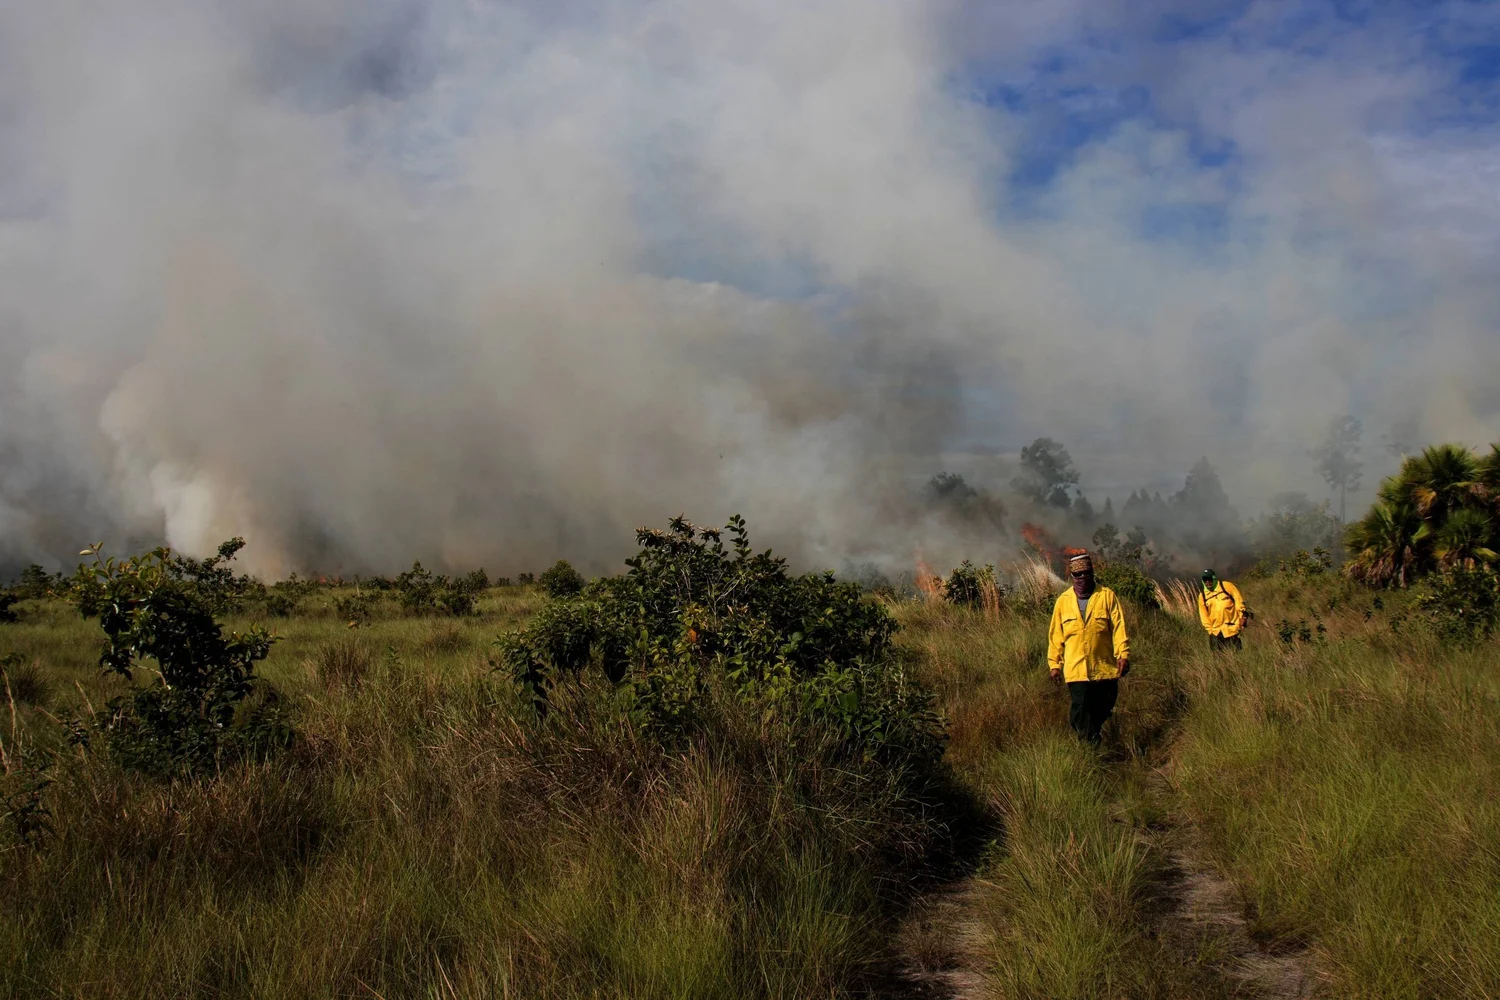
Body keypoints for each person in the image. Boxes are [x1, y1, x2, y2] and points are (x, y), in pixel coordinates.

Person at [1048, 552, 1130, 745]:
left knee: (1104, 707)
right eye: (1078, 575)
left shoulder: (1107, 596)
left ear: (1092, 572)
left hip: (1104, 668)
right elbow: (1055, 637)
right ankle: (1091, 747)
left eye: (1086, 573)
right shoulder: (1063, 602)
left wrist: (1123, 654)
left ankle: (1092, 735)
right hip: (1077, 670)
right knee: (1080, 709)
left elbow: (1119, 628)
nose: (1082, 578)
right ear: (1072, 577)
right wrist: (1054, 665)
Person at [1197, 569, 1246, 651]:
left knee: (1237, 656)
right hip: (1215, 633)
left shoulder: (1226, 586)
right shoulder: (1202, 596)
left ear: (1214, 578)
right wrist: (1210, 630)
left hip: (1232, 630)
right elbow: (1203, 615)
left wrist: (1242, 616)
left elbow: (1239, 601)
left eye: (1210, 579)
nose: (1208, 582)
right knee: (1219, 660)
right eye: (1205, 580)